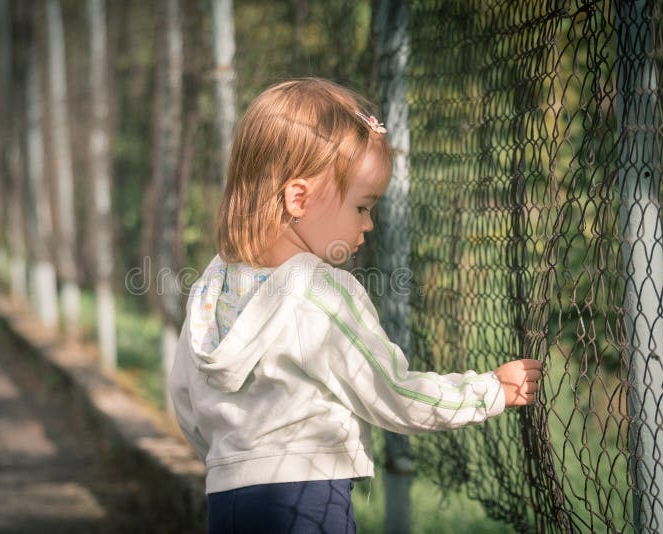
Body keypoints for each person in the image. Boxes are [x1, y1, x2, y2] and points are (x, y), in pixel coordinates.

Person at [169, 77, 543, 534]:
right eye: (362, 207)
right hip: (308, 499)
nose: (368, 224)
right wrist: (491, 391)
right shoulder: (322, 292)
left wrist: (228, 462)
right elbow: (394, 393)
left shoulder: (211, 285)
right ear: (298, 197)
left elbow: (186, 401)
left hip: (227, 504)